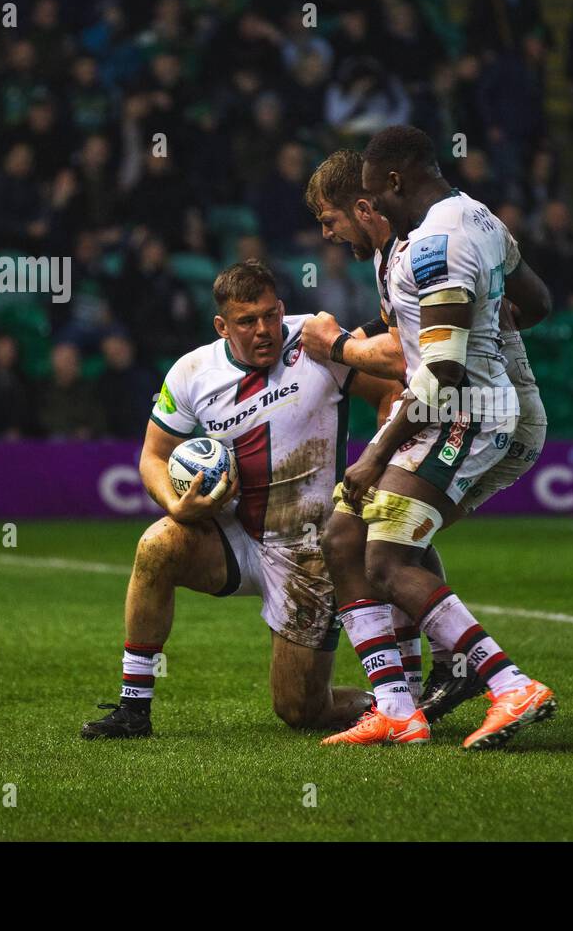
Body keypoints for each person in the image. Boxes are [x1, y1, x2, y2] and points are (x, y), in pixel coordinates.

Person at [81, 260, 397, 739]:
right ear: (222, 326)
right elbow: (152, 455)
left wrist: (379, 462)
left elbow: (390, 391)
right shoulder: (192, 372)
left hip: (309, 548)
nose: (264, 330)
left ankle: (392, 701)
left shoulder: (317, 342)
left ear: (283, 309)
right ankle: (134, 708)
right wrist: (175, 503)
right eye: (247, 321)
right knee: (157, 545)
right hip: (234, 535)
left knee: (301, 711)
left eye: (271, 315)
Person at [321, 127, 557, 748]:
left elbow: (444, 370)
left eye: (375, 194)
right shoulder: (477, 216)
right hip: (458, 406)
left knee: (387, 556)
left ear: (393, 183)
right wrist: (496, 318)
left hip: (468, 411)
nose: (372, 208)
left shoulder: (434, 242)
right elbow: (537, 300)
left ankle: (509, 684)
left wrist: (374, 456)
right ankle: (397, 705)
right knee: (343, 537)